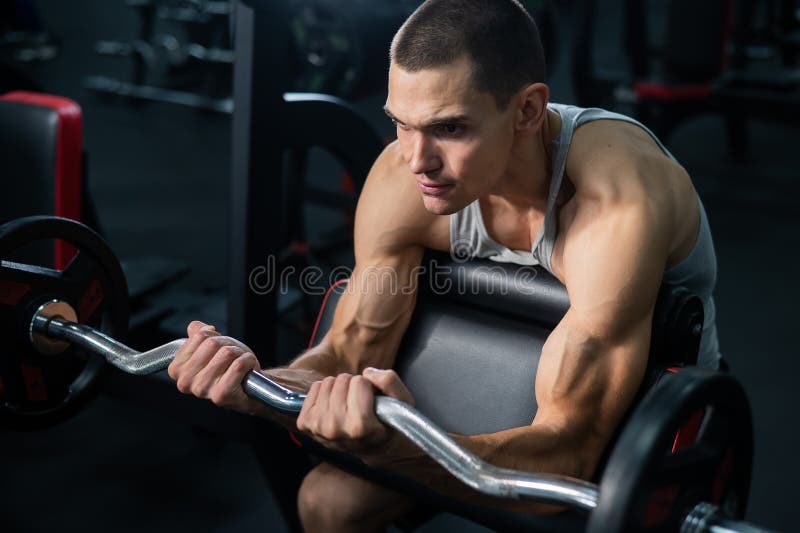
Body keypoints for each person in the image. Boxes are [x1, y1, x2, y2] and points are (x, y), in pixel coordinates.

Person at [167, 0, 721, 530]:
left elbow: (567, 453)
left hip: (628, 415)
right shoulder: (403, 176)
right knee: (326, 503)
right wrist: (256, 384)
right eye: (401, 124)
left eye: (449, 128)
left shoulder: (615, 203)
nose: (417, 160)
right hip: (477, 372)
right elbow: (348, 352)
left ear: (527, 110)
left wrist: (405, 447)